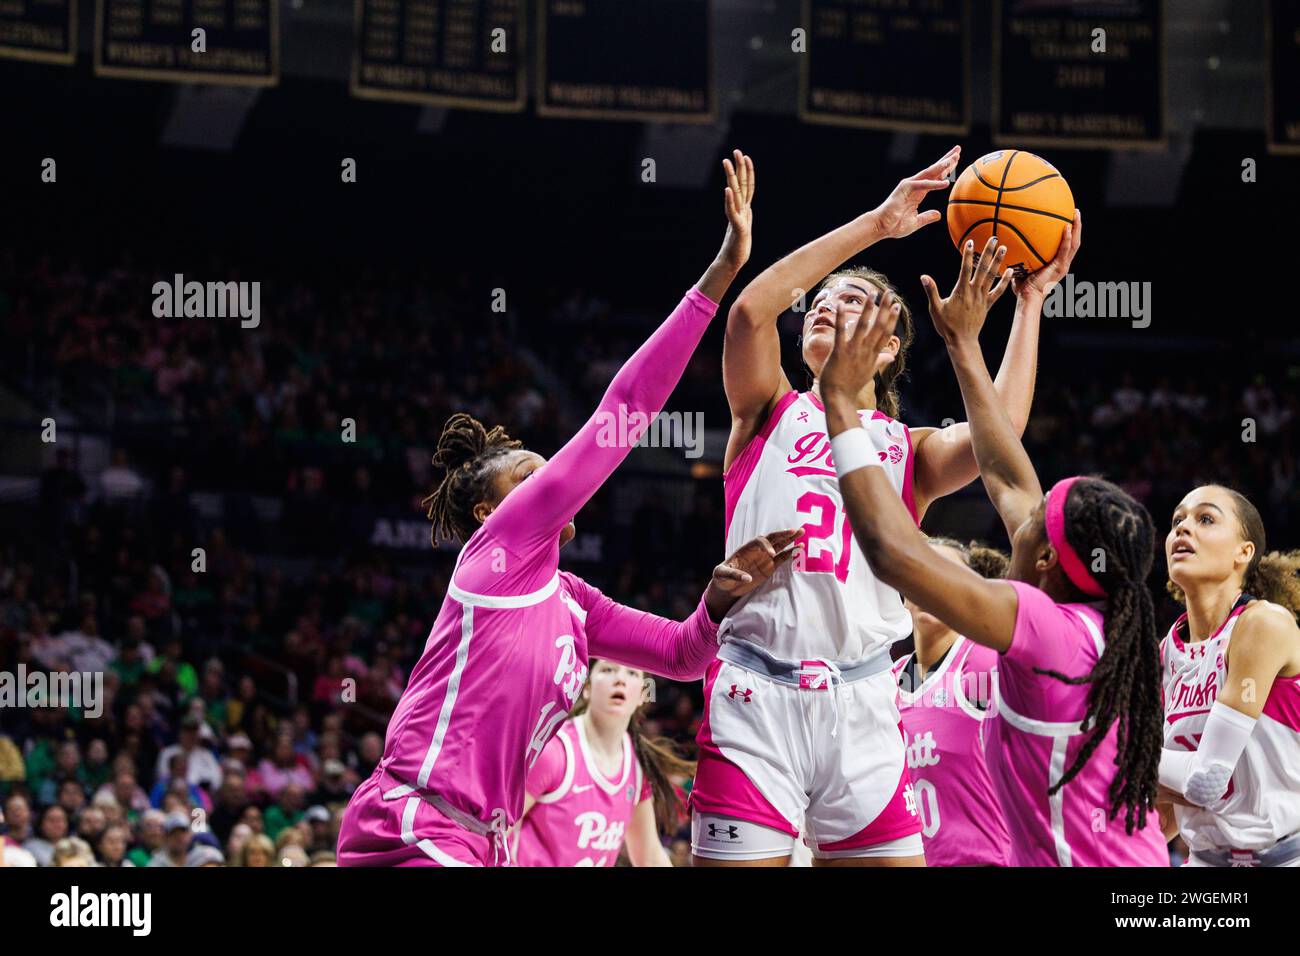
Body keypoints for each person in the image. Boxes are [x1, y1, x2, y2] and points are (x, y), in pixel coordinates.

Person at [337, 152, 800, 867]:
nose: (549, 475)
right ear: (494, 508)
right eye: (530, 473)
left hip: (481, 843)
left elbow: (682, 655)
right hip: (414, 826)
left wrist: (716, 601)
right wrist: (719, 277)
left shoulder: (574, 604)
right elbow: (625, 410)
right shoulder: (499, 550)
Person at [693, 147, 1057, 866]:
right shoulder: (768, 410)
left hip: (863, 704)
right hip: (755, 693)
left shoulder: (906, 449)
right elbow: (748, 313)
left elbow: (1001, 433)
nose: (827, 304)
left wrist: (1029, 304)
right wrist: (878, 225)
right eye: (821, 301)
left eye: (853, 301)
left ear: (888, 349)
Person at [820, 231, 1168, 866]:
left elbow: (893, 551)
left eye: (1039, 519)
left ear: (1045, 559)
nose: (1026, 514)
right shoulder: (1090, 620)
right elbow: (1006, 473)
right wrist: (976, 334)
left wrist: (840, 406)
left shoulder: (1045, 628)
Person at [1156, 485, 1300, 866]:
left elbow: (1206, 781)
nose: (1183, 529)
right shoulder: (1165, 654)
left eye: (1205, 519)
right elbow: (1166, 812)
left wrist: (1109, 751)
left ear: (1244, 552)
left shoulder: (1263, 624)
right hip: (1203, 859)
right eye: (1177, 522)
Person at [893, 538, 1011, 866]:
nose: (934, 585)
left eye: (946, 575)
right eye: (926, 571)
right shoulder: (884, 681)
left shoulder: (983, 661)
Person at [513, 660, 693, 866]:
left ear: (643, 695)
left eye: (632, 674)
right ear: (587, 688)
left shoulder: (635, 768)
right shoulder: (555, 752)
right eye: (608, 670)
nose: (620, 679)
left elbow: (649, 856)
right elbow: (497, 830)